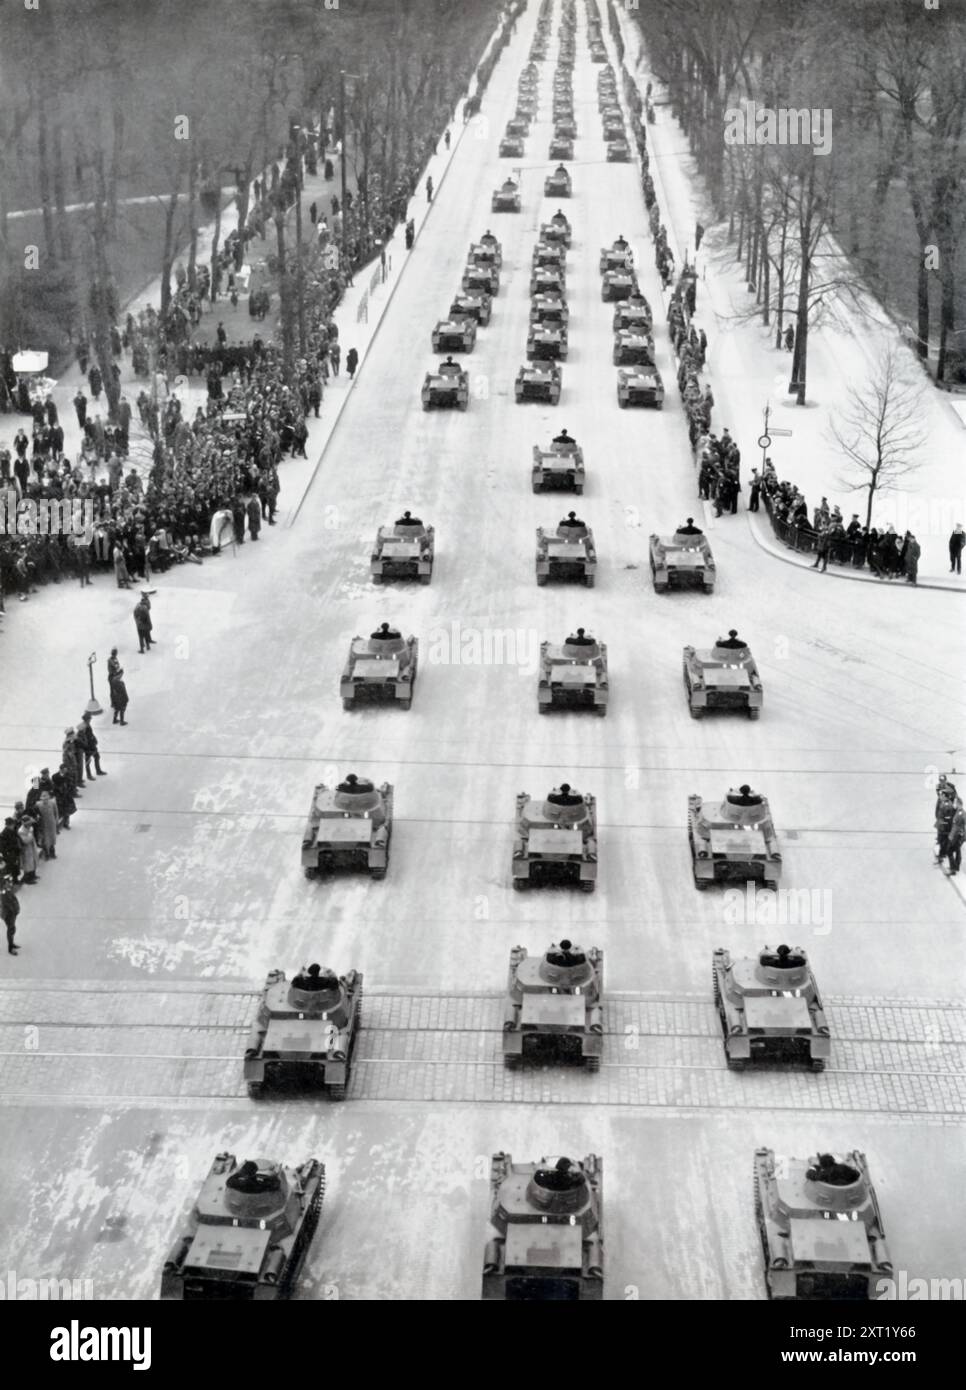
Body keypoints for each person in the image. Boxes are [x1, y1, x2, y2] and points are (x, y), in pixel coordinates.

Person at [17, 817, 39, 884]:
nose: (30, 825)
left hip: (32, 847)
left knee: (33, 860)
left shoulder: (30, 828)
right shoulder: (21, 831)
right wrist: (30, 833)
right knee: (28, 863)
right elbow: (26, 841)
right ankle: (28, 879)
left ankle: (33, 875)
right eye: (29, 823)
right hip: (26, 849)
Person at [946, 803, 965, 876]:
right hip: (955, 835)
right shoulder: (958, 811)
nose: (954, 804)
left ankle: (953, 869)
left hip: (958, 836)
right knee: (957, 851)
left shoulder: (962, 813)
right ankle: (955, 867)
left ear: (959, 804)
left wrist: (962, 833)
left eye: (956, 803)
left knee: (949, 851)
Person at [1, 878, 19, 955]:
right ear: (3, 884)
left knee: (12, 929)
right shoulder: (3, 892)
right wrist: (14, 910)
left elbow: (13, 899)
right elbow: (7, 904)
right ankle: (10, 948)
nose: (8, 883)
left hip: (12, 913)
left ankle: (12, 943)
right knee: (11, 929)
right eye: (6, 882)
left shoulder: (7, 890)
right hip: (8, 914)